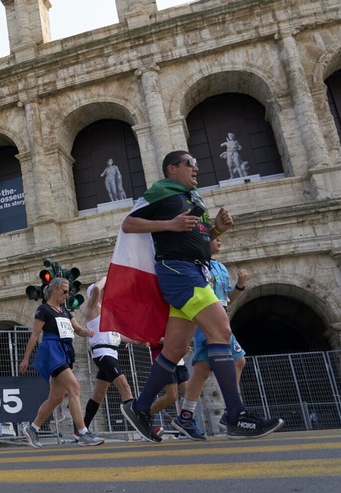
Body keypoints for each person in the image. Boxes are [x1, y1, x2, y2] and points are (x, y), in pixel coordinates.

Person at [116, 151, 283, 442]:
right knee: (221, 331)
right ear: (172, 168)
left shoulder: (194, 199)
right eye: (190, 164)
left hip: (194, 270)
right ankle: (235, 415)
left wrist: (217, 228)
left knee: (176, 349)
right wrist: (169, 225)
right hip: (178, 271)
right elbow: (128, 224)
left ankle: (140, 407)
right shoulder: (161, 191)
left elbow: (201, 242)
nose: (196, 168)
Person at [173, 237, 249, 440]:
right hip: (208, 319)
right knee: (238, 361)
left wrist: (240, 286)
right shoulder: (198, 266)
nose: (220, 241)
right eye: (215, 238)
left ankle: (185, 416)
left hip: (220, 317)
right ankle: (231, 412)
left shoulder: (221, 267)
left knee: (202, 369)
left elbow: (227, 299)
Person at [19, 278, 104, 448]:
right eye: (64, 291)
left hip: (64, 352)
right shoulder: (43, 309)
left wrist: (86, 332)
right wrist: (26, 358)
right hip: (52, 351)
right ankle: (82, 433)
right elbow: (35, 334)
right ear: (55, 289)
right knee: (74, 387)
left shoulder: (64, 310)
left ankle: (32, 428)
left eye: (68, 292)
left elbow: (77, 329)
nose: (67, 294)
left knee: (56, 398)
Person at [81, 278, 137, 430]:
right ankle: (140, 424)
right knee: (124, 386)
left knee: (99, 394)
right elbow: (96, 289)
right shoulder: (93, 309)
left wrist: (137, 341)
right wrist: (107, 278)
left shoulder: (108, 313)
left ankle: (81, 429)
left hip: (111, 353)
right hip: (103, 353)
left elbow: (117, 335)